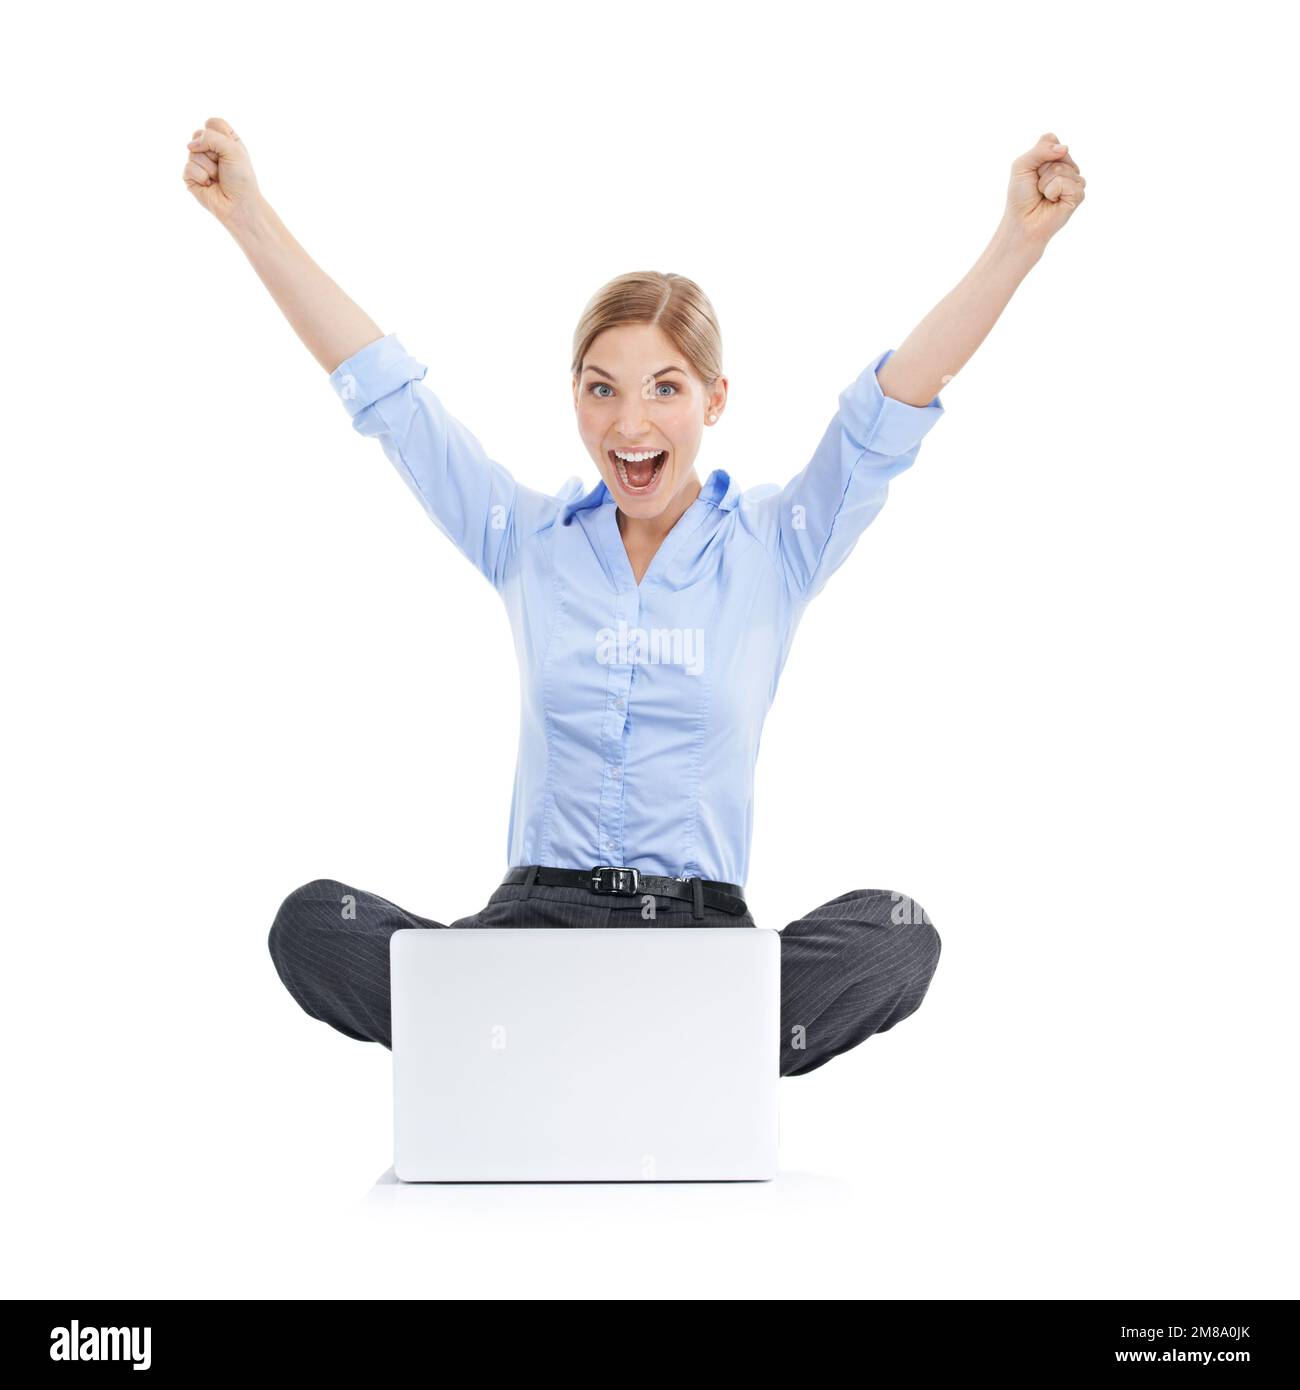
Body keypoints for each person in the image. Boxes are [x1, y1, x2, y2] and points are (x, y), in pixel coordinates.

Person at [183, 118, 1085, 1077]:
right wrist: (248, 214)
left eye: (664, 388)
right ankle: (642, 1062)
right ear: (574, 398)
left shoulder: (778, 549)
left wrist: (1017, 241)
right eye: (602, 390)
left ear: (714, 399)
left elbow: (892, 408)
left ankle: (556, 1057)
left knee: (900, 933)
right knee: (314, 922)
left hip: (698, 948)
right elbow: (394, 405)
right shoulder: (526, 542)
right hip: (531, 931)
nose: (632, 422)